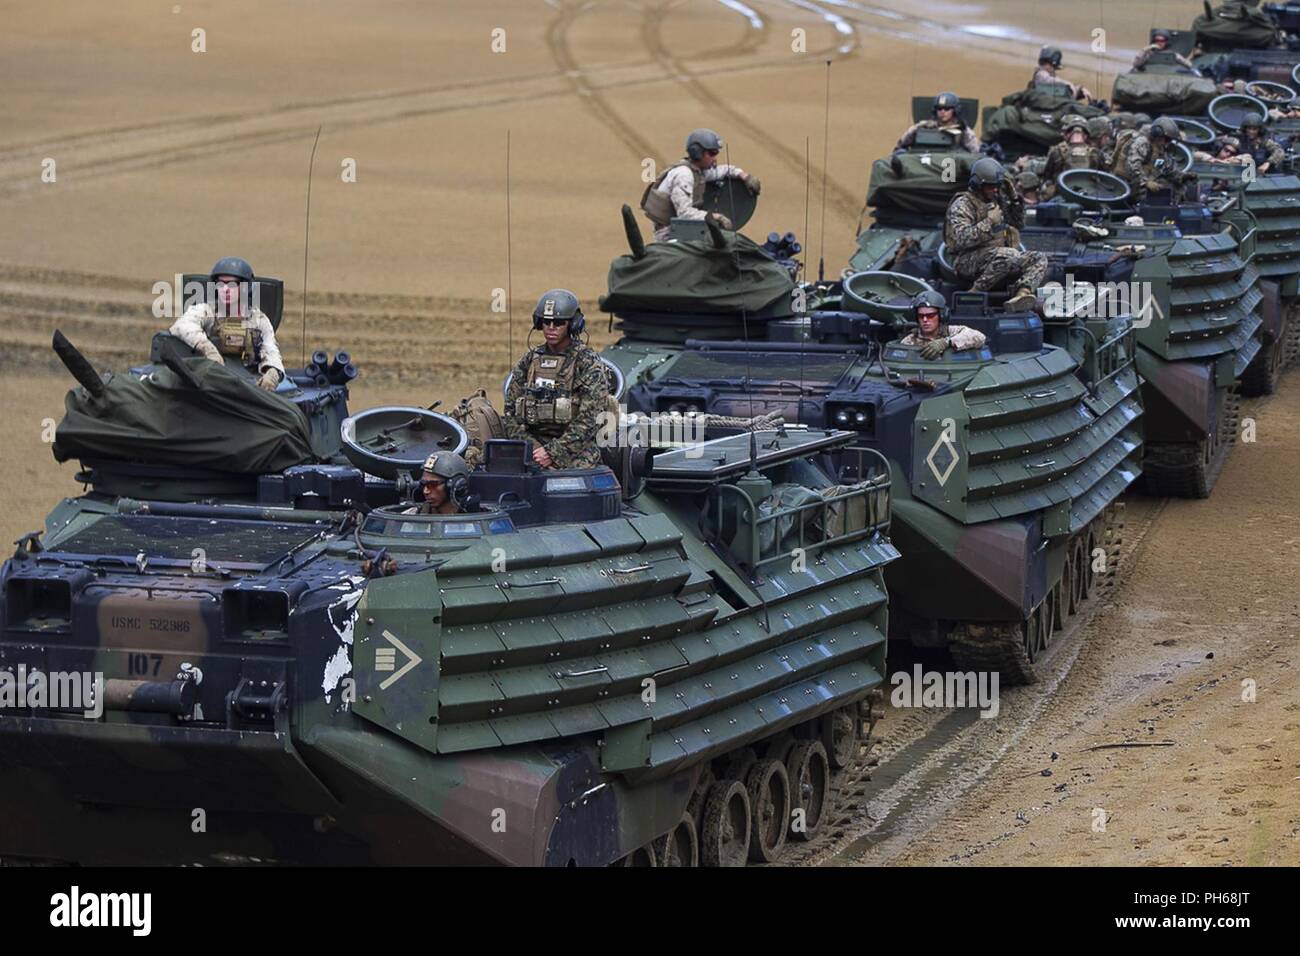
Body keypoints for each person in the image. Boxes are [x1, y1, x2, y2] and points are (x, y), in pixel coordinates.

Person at [503, 289, 609, 470]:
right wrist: (534, 450)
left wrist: (553, 454)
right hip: (530, 448)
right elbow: (510, 413)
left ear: (573, 324)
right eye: (546, 322)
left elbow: (590, 419)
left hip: (575, 450)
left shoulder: (587, 362)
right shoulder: (530, 361)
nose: (551, 328)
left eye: (559, 323)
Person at [943, 157, 1048, 311]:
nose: (995, 190)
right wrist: (989, 222)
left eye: (997, 186)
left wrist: (1014, 200)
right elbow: (961, 239)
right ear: (978, 185)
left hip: (999, 257)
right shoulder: (962, 205)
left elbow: (1019, 224)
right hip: (968, 261)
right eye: (991, 187)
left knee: (1039, 258)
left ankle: (1022, 295)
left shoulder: (996, 200)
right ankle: (974, 292)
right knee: (1009, 255)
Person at [168, 256, 284, 390]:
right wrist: (208, 349)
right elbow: (182, 325)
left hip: (248, 381)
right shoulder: (208, 311)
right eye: (220, 284)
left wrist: (272, 372)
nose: (225, 289)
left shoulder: (258, 320)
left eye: (232, 284)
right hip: (210, 380)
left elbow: (270, 349)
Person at [640, 129, 761, 241]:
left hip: (686, 230)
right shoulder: (684, 175)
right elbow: (684, 214)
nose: (715, 158)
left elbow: (723, 171)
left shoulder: (698, 172)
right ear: (697, 153)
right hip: (669, 234)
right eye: (712, 153)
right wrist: (715, 217)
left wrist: (744, 176)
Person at [898, 290, 987, 359]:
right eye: (921, 316)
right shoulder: (909, 341)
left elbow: (980, 337)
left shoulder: (951, 331)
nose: (925, 320)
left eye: (930, 315)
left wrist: (946, 342)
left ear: (941, 316)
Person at [1113, 116, 1187, 198]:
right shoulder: (1142, 143)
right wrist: (1146, 182)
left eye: (1170, 140)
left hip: (1142, 184)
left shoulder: (1160, 150)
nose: (1167, 143)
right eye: (1166, 139)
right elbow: (1133, 165)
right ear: (1157, 134)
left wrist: (1183, 177)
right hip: (1126, 184)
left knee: (1172, 187)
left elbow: (1168, 169)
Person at [896, 91, 980, 153]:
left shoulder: (963, 131)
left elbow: (975, 152)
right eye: (939, 108)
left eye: (947, 109)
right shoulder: (922, 127)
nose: (942, 112)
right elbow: (901, 145)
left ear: (954, 111)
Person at [1041, 115, 1104, 198]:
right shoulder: (1095, 152)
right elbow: (1104, 176)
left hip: (1062, 196)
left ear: (1067, 135)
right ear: (1085, 136)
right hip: (1089, 196)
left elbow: (1047, 176)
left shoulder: (1057, 151)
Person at [402, 451, 471, 515]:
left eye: (432, 485)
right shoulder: (410, 518)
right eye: (423, 484)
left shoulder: (474, 521)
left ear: (456, 485)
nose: (425, 491)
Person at [1029, 46, 1095, 102]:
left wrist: (1079, 90)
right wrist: (1072, 88)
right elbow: (1055, 84)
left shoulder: (1044, 74)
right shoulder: (1041, 75)